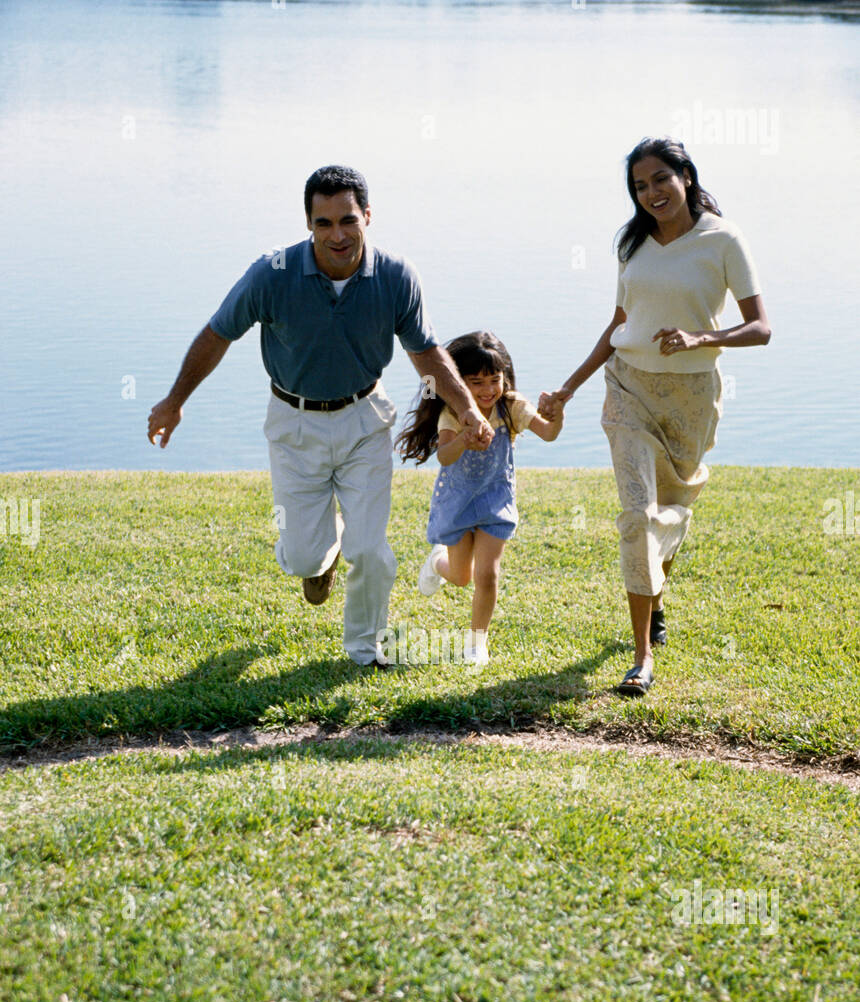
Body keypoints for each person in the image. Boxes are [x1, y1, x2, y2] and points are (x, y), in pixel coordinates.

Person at [147, 165, 493, 668]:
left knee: (371, 549)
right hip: (294, 423)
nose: (337, 235)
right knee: (305, 555)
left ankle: (364, 649)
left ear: (368, 217)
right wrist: (175, 400)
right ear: (308, 223)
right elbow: (218, 333)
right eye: (323, 223)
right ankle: (319, 555)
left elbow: (427, 354)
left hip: (364, 419)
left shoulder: (396, 275)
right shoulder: (272, 273)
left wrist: (466, 410)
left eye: (347, 220)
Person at [547, 137, 771, 696]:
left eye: (660, 181)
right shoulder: (633, 243)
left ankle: (656, 595)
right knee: (635, 515)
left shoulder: (723, 239)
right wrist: (570, 387)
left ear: (687, 177)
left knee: (668, 512)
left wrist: (703, 335)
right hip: (627, 388)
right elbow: (620, 322)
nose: (651, 194)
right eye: (640, 186)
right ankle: (642, 657)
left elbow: (761, 327)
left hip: (692, 397)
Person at [397, 331, 563, 666]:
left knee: (487, 574)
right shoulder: (454, 412)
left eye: (494, 380)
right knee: (461, 577)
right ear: (459, 383)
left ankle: (476, 644)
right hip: (458, 502)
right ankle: (436, 561)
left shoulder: (511, 406)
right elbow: (444, 456)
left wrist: (556, 413)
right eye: (476, 382)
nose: (488, 391)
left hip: (495, 499)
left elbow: (548, 433)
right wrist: (464, 441)